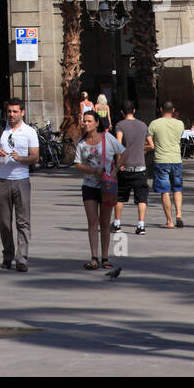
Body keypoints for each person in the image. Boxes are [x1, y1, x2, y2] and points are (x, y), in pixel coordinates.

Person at [0, 97, 39, 272]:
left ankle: (22, 258)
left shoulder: (29, 132)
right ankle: (8, 255)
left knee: (23, 221)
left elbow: (35, 157)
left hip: (21, 180)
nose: (11, 114)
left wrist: (21, 158)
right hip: (2, 180)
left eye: (15, 111)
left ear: (22, 112)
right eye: (9, 111)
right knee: (5, 222)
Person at [75, 109, 125, 271]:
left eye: (89, 121)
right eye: (85, 121)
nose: (86, 123)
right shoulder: (81, 143)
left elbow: (124, 152)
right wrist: (93, 171)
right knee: (92, 222)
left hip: (107, 186)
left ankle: (105, 257)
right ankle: (94, 257)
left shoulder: (107, 138)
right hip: (89, 185)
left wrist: (115, 170)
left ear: (97, 123)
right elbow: (78, 164)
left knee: (104, 223)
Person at [147, 100, 186, 228]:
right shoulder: (180, 124)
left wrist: (153, 145)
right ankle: (179, 214)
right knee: (177, 188)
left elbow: (149, 139)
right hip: (176, 159)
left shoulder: (154, 124)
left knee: (165, 191)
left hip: (161, 160)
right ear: (173, 110)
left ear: (160, 109)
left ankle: (169, 221)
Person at [113, 103, 149, 234]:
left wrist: (119, 162)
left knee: (120, 196)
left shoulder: (120, 125)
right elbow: (151, 144)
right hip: (140, 167)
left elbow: (118, 144)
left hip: (126, 167)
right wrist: (142, 149)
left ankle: (117, 224)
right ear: (134, 110)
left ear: (122, 112)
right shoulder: (143, 125)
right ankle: (141, 225)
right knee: (142, 198)